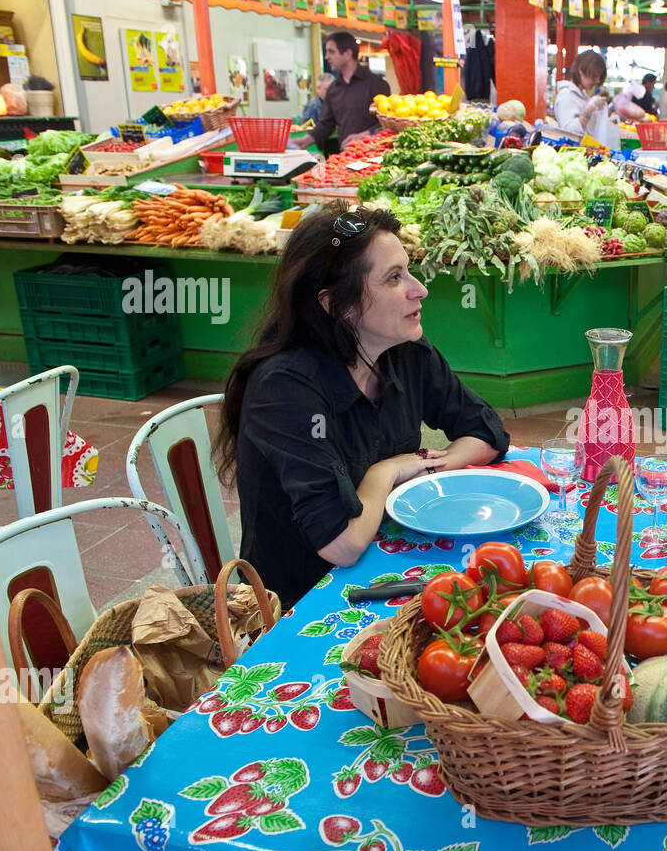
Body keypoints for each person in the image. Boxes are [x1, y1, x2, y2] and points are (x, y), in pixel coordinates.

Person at [216, 204, 509, 607]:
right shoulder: (285, 389)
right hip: (299, 601)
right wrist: (386, 471)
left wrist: (422, 465)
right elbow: (341, 543)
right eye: (394, 278)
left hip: (388, 564)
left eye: (408, 270)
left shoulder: (405, 354)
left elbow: (487, 432)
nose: (419, 288)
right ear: (335, 304)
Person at [308, 32, 390, 153]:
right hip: (347, 157)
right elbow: (325, 124)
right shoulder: (333, 89)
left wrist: (365, 135)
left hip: (375, 156)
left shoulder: (377, 84)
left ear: (347, 53)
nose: (326, 57)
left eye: (331, 52)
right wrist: (304, 140)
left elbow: (387, 122)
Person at [553, 49, 610, 140]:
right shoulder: (566, 95)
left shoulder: (583, 96)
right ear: (581, 71)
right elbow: (569, 133)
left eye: (599, 77)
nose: (597, 81)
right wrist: (589, 110)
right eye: (594, 76)